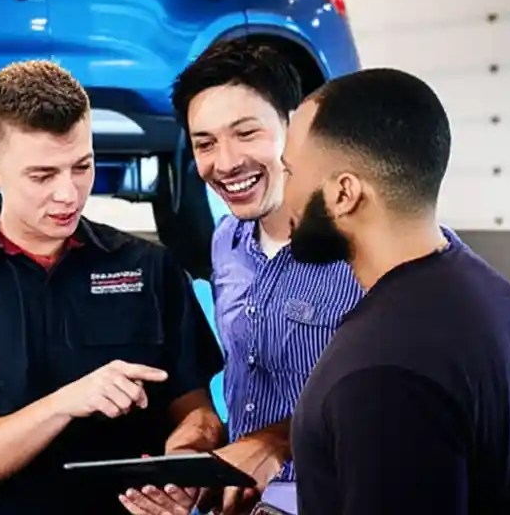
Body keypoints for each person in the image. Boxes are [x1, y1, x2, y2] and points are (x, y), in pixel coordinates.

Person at [0, 60, 225, 515]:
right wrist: (65, 403)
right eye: (42, 175)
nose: (68, 194)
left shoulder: (149, 269)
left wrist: (184, 464)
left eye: (82, 166)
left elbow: (196, 410)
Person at [281, 68, 510, 515]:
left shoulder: (382, 372)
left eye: (290, 172)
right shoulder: (499, 298)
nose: (283, 193)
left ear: (344, 193)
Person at [120, 40, 364, 515]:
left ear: (293, 127)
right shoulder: (226, 241)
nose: (225, 162)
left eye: (246, 133)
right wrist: (197, 464)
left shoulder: (360, 247)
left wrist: (278, 444)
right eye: (205, 143)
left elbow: (395, 401)